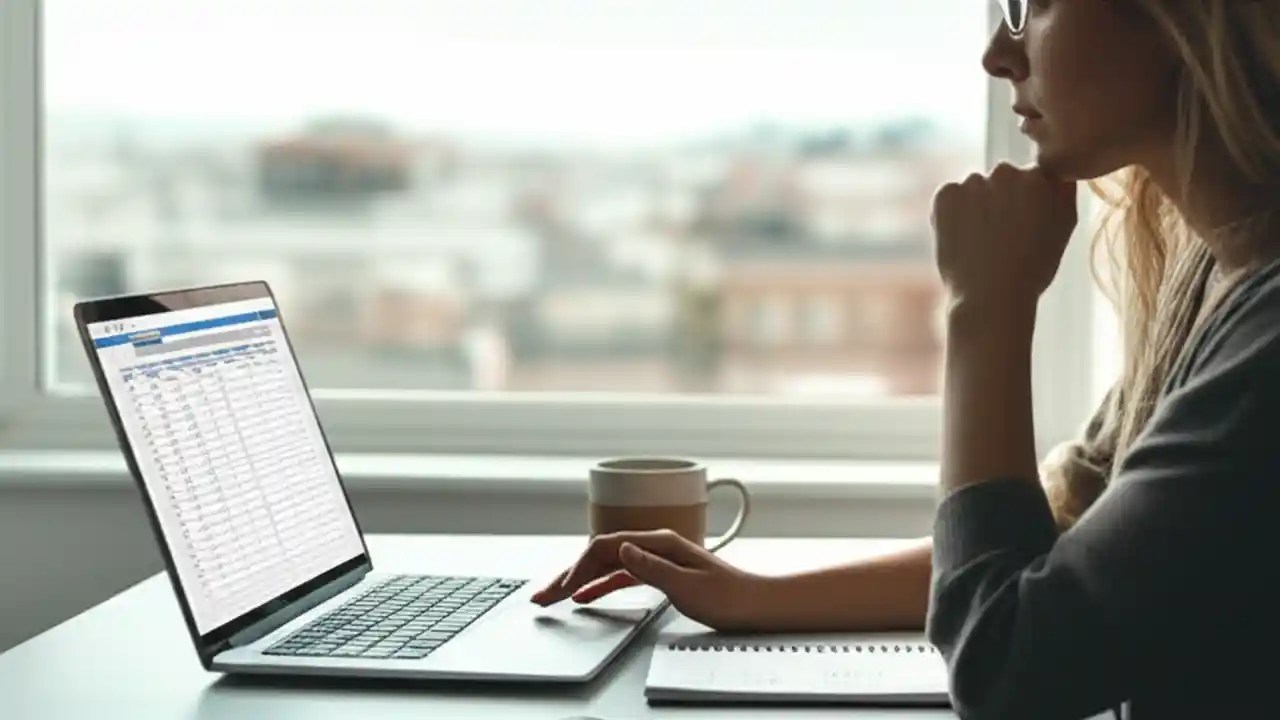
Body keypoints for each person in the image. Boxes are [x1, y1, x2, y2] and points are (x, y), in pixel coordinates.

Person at [533, 0, 1280, 717]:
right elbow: (1065, 539)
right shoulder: (1210, 270)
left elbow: (1005, 667)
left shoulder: (1266, 340)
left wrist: (983, 310)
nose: (998, 54)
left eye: (1037, 4)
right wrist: (754, 596)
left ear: (1186, 17)